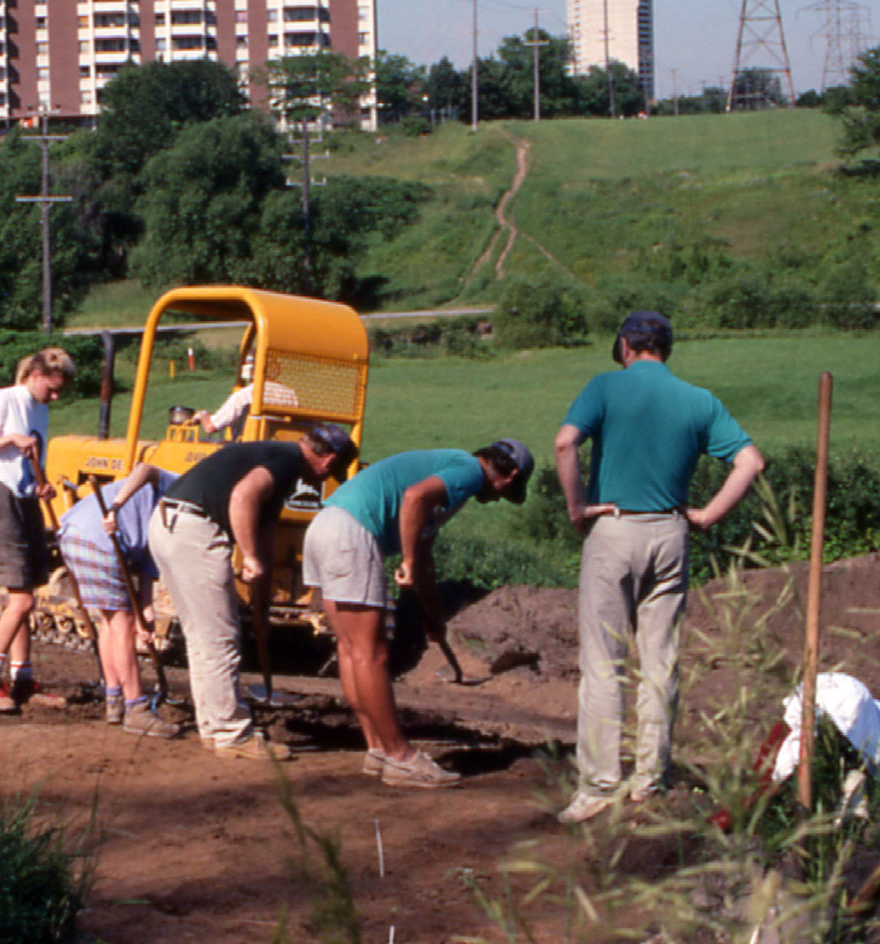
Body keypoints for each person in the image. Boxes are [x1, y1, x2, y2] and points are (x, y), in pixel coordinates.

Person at [555, 310, 764, 824]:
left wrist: (577, 508)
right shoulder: (699, 400)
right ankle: (650, 779)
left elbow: (565, 442)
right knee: (660, 659)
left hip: (614, 528)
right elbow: (751, 462)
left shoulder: (605, 387)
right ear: (665, 349)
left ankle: (600, 785)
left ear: (626, 345)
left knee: (604, 662)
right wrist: (708, 515)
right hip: (671, 532)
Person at [308, 440, 535, 788]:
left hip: (325, 526)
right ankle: (401, 758)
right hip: (351, 533)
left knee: (352, 649)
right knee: (371, 653)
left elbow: (424, 556)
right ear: (511, 474)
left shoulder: (446, 473)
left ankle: (378, 750)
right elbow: (414, 498)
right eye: (508, 491)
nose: (499, 499)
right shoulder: (469, 471)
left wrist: (434, 616)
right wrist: (408, 562)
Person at [149, 424, 359, 759]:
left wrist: (261, 612)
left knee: (204, 635)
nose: (325, 481)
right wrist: (247, 556)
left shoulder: (276, 462)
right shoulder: (288, 460)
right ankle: (232, 734)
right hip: (194, 529)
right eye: (331, 473)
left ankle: (216, 728)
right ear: (328, 460)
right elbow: (242, 497)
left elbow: (265, 538)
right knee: (219, 637)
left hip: (168, 523)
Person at [0, 347, 76, 714]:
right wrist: (9, 439)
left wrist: (39, 486)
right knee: (21, 600)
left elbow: (26, 463)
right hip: (1, 500)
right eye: (52, 390)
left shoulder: (39, 409)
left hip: (25, 500)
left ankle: (22, 679)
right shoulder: (5, 399)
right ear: (36, 375)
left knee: (24, 595)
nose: (54, 398)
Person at [54, 460, 183, 738]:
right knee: (121, 622)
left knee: (110, 621)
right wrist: (116, 508)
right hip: (99, 537)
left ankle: (114, 699)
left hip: (75, 535)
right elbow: (147, 468)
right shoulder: (181, 487)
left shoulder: (170, 513)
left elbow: (149, 560)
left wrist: (146, 613)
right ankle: (136, 707)